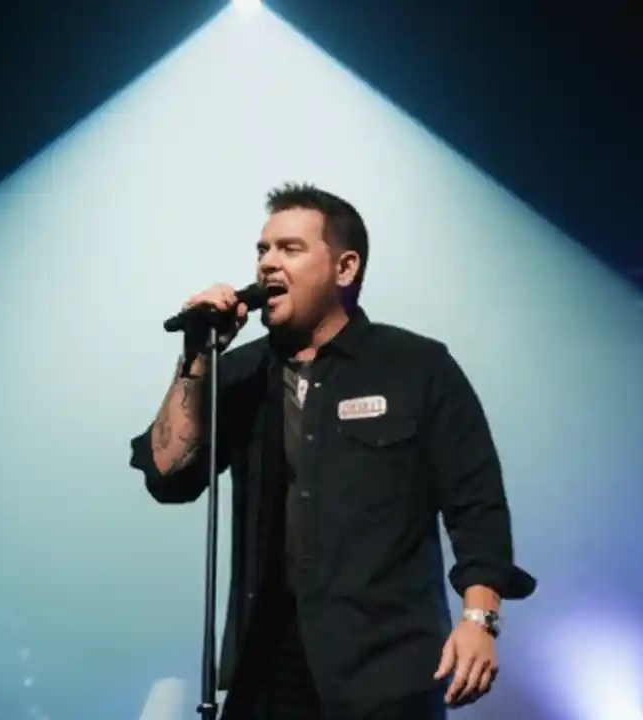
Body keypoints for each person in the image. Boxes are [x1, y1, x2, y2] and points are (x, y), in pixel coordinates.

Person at [129, 182, 536, 720]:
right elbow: (168, 477)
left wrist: (478, 621)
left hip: (387, 671)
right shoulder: (242, 373)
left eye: (290, 249)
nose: (268, 264)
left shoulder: (418, 367)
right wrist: (196, 357)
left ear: (345, 268)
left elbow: (476, 503)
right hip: (266, 671)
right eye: (262, 249)